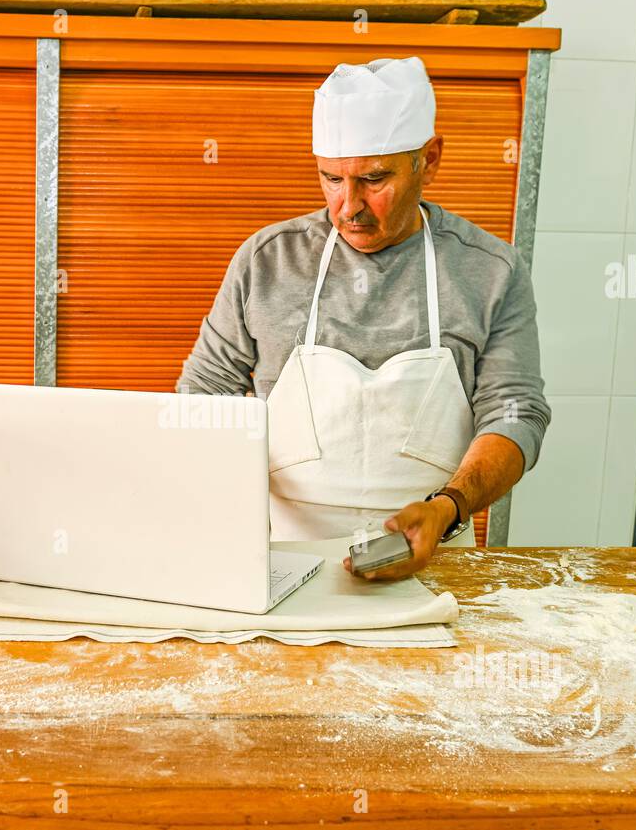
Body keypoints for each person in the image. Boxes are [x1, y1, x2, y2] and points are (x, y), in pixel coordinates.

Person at [176, 56, 550, 580]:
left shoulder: (491, 272)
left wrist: (447, 509)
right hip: (278, 566)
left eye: (374, 179)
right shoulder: (267, 261)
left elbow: (516, 415)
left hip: (435, 563)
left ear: (430, 159)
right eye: (331, 178)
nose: (347, 207)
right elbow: (203, 397)